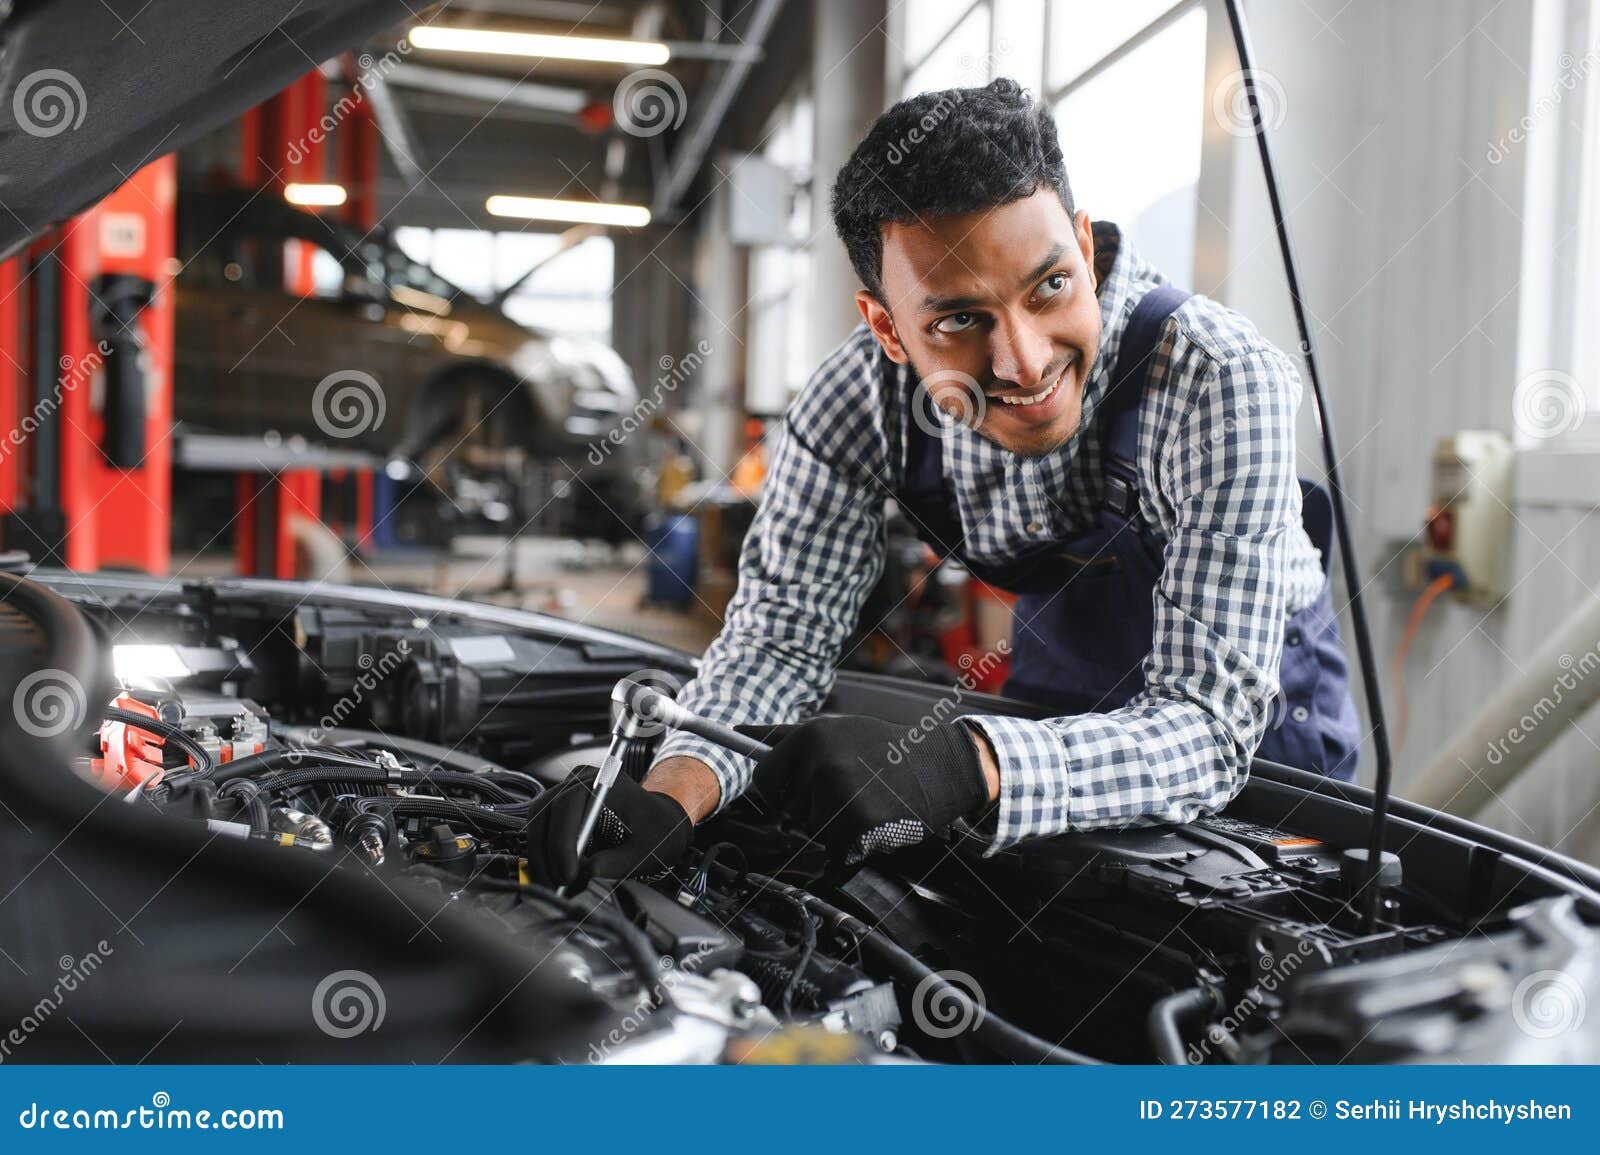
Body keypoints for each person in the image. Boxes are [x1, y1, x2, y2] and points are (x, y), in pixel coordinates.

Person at [524, 78, 1360, 887]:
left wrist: (972, 761)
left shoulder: (1216, 381)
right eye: (959, 319)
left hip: (1268, 751)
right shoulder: (855, 404)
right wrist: (672, 798)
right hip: (1058, 706)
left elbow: (1210, 728)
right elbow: (779, 645)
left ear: (1081, 234)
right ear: (887, 327)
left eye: (1051, 286)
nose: (1023, 362)